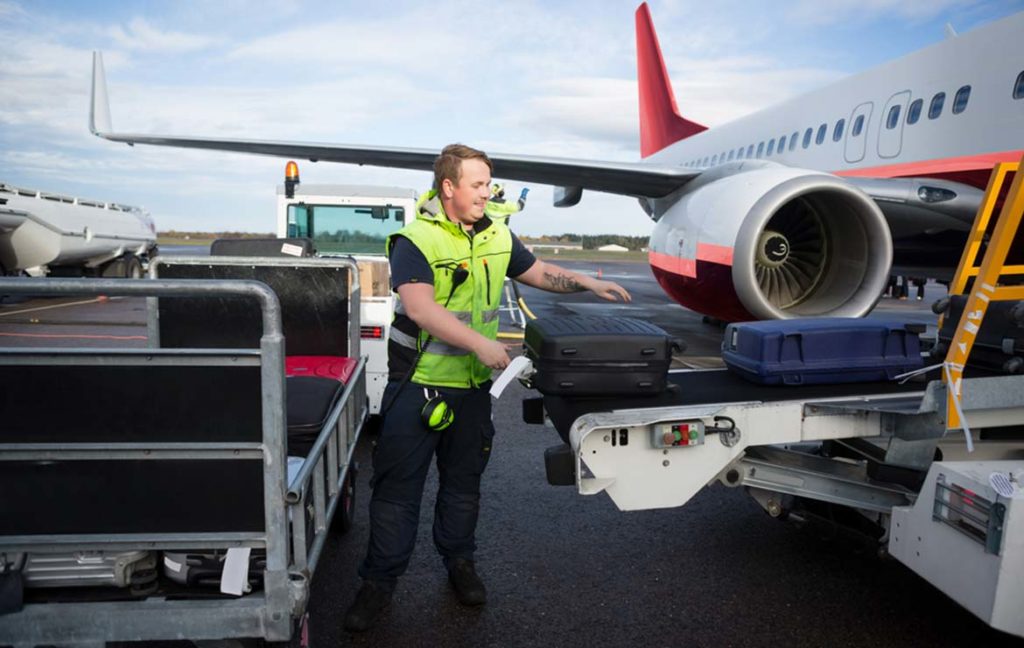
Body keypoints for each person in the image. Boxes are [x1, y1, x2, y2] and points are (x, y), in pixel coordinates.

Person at [343, 144, 630, 632]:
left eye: (488, 185)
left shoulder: (498, 234)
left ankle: (460, 564)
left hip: (473, 392)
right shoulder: (416, 239)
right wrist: (480, 343)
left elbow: (538, 272)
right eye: (477, 185)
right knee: (396, 493)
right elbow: (420, 309)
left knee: (463, 487)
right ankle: (378, 583)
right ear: (448, 187)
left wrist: (583, 280)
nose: (487, 193)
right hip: (419, 386)